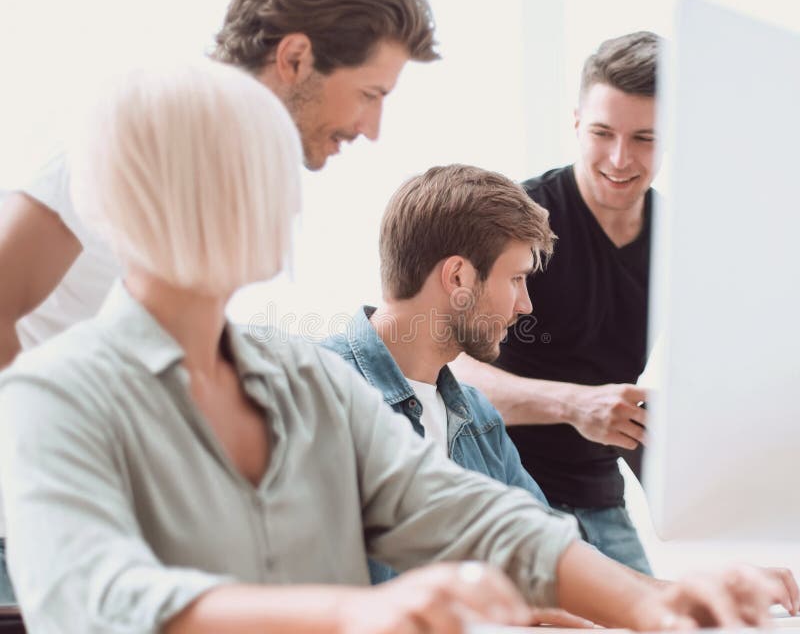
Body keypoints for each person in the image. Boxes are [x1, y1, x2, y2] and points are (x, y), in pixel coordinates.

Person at [0, 60, 792, 634]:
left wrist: (651, 601)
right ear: (177, 192)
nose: (290, 195)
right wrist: (355, 612)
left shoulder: (305, 381)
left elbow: (461, 513)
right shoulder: (52, 397)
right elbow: (98, 596)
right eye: (263, 168)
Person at [0, 0, 439, 369]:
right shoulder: (137, 135)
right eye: (369, 95)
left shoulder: (234, 182)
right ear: (294, 58)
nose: (372, 128)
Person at [451, 31, 660, 574]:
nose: (620, 158)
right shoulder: (517, 219)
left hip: (602, 497)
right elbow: (451, 368)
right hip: (502, 493)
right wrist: (573, 405)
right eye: (602, 133)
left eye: (644, 138)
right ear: (576, 123)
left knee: (673, 610)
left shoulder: (680, 240)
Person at [322, 163, 557, 582]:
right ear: (458, 277)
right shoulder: (318, 394)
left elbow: (549, 557)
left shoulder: (478, 419)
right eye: (516, 279)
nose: (525, 305)